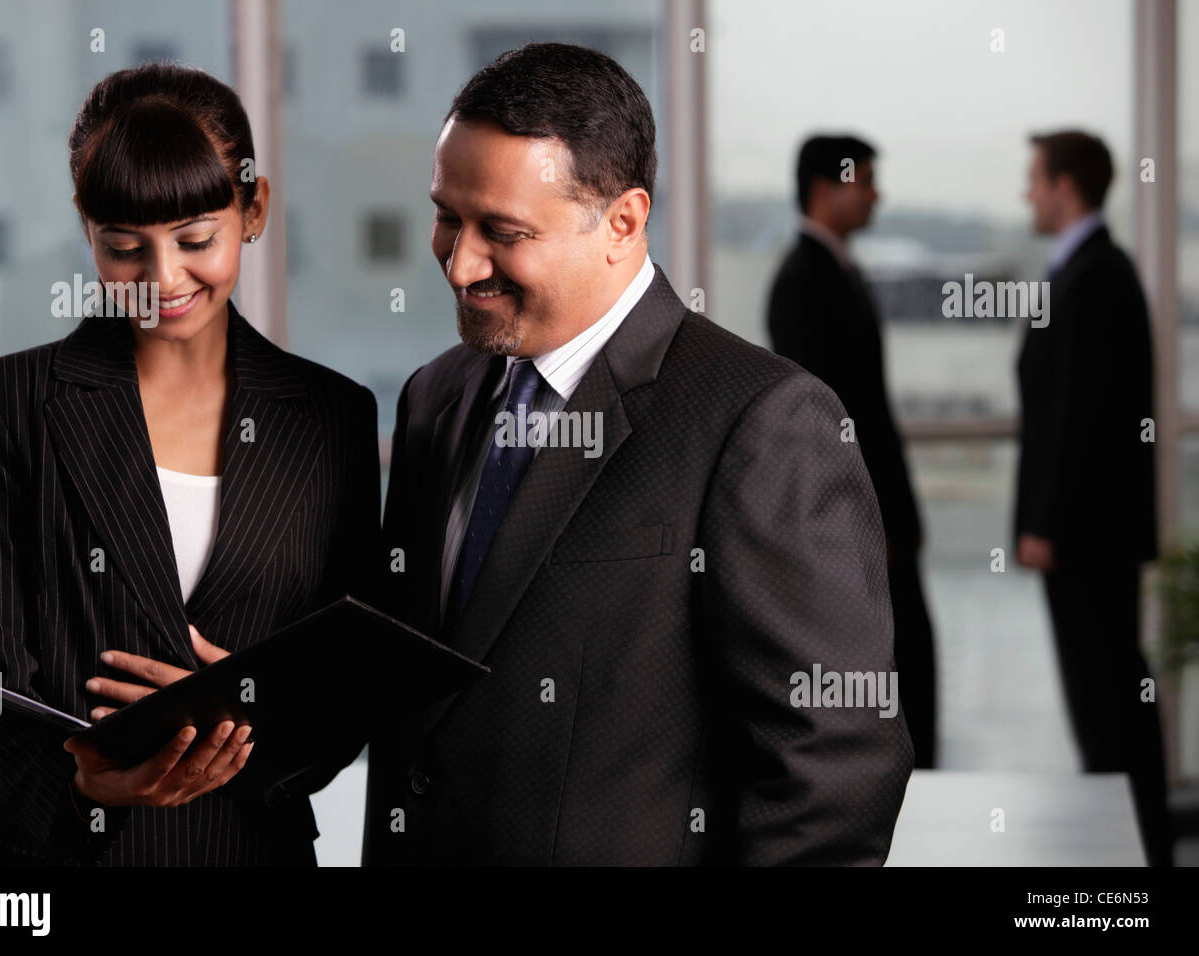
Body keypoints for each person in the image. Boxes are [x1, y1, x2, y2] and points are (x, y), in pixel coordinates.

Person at [363, 43, 913, 866]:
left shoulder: (760, 421)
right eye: (448, 215)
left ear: (623, 223)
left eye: (503, 232)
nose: (459, 262)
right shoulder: (433, 397)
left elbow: (834, 768)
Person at [0, 62, 380, 866]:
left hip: (245, 849)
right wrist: (86, 788)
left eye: (196, 239)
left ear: (254, 210)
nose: (162, 281)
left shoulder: (334, 419)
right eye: (123, 248)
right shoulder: (2, 406)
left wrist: (258, 705)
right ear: (86, 226)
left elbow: (349, 698)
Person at [1016, 130, 1171, 866]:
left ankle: (1136, 855)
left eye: (1036, 179)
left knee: (1106, 701)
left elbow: (1077, 417)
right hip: (1092, 534)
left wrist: (1044, 524)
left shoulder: (1095, 275)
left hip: (1084, 537)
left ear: (1066, 185)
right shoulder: (1089, 270)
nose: (1028, 193)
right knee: (1108, 698)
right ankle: (1135, 847)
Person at [766, 135, 937, 768]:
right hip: (862, 524)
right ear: (822, 188)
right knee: (892, 685)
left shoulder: (836, 271)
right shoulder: (804, 281)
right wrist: (865, 524)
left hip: (881, 518)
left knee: (910, 677)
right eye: (862, 179)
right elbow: (824, 425)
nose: (875, 194)